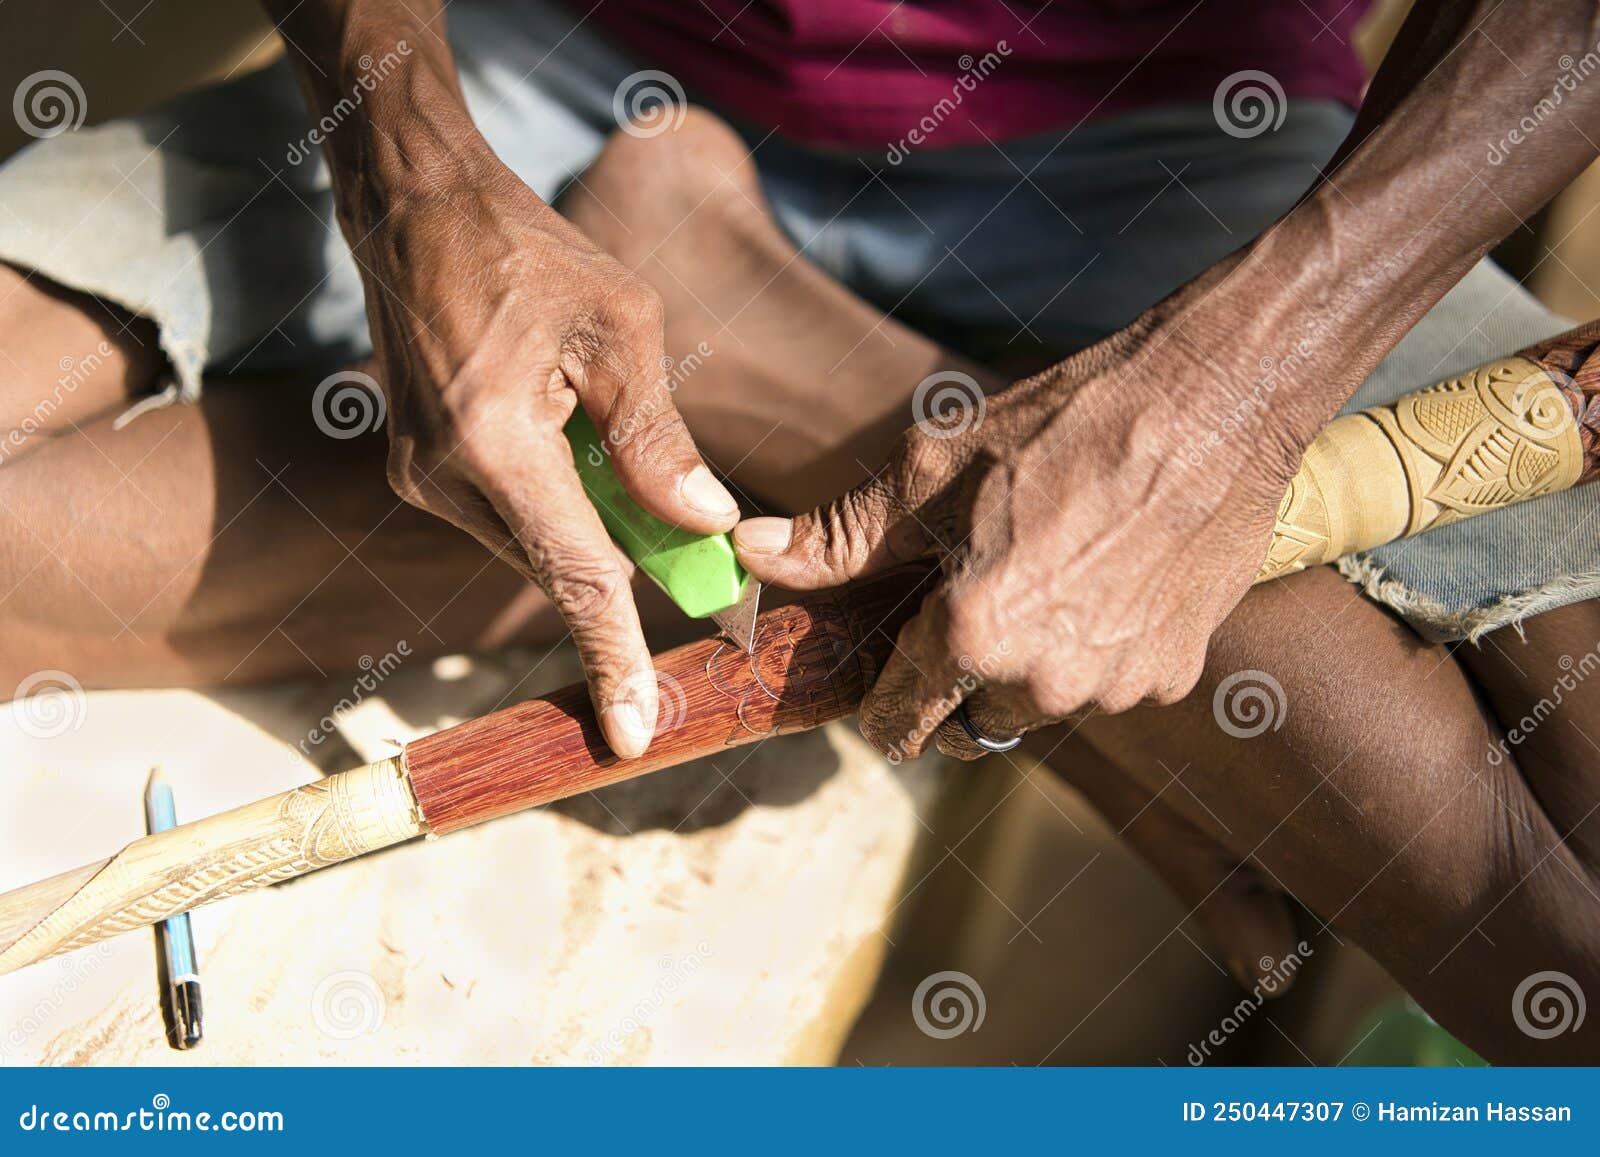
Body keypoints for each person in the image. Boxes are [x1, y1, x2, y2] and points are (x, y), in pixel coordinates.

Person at [0, 0, 1596, 1061]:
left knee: (1552, 942)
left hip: (1177, 146)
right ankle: (731, 408)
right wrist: (408, 169)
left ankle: (753, 355)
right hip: (526, 63)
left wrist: (1216, 412)